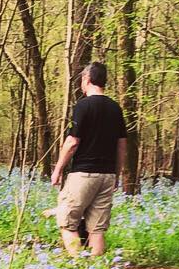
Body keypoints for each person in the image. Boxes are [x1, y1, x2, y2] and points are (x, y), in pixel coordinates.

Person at [50, 61, 129, 258]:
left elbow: (72, 142)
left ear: (87, 79)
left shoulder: (83, 106)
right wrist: (116, 174)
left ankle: (79, 268)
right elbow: (121, 146)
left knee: (66, 220)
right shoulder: (115, 109)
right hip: (107, 176)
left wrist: (58, 169)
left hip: (83, 174)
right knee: (97, 229)